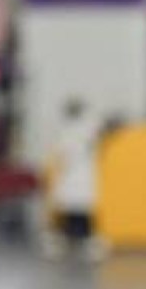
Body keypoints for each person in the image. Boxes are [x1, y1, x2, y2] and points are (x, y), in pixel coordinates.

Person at [42, 99, 107, 263]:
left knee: (83, 214)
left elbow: (62, 152)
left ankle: (88, 247)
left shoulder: (85, 130)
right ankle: (62, 244)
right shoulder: (75, 131)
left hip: (81, 177)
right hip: (73, 176)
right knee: (70, 212)